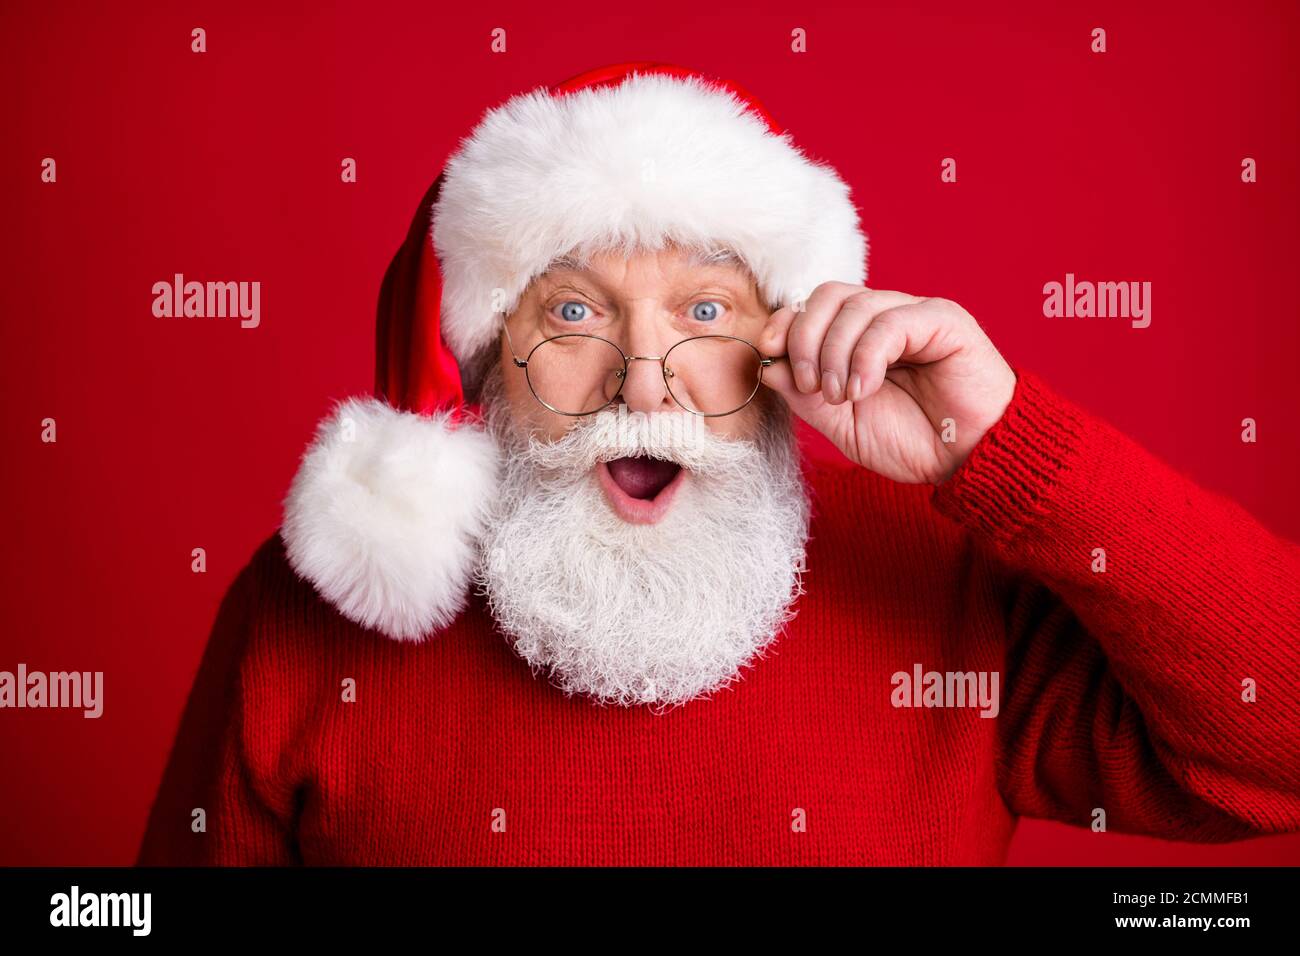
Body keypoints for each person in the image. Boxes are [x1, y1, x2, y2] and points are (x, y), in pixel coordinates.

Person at [137, 62, 1300, 866]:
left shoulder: (940, 581)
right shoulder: (317, 611)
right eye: (577, 314)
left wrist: (1009, 449)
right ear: (481, 362)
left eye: (704, 308)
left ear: (781, 340)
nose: (644, 382)